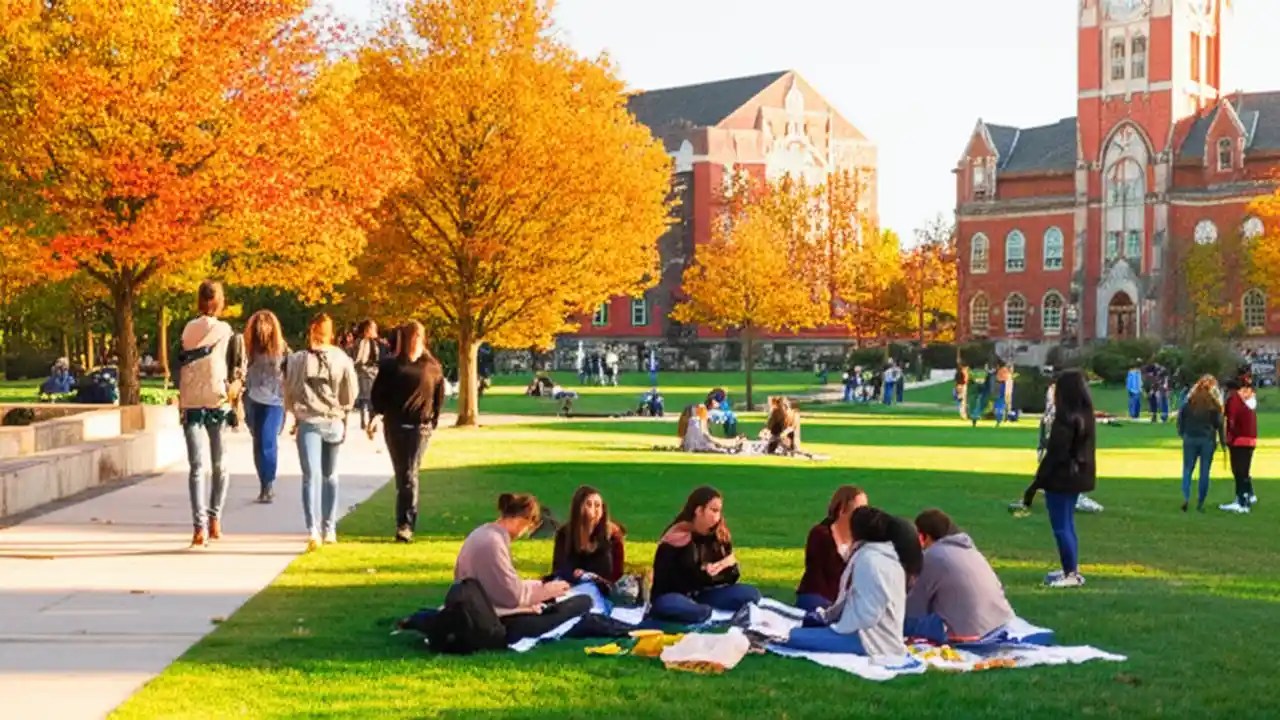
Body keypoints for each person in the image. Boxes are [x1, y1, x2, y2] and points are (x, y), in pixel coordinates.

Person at [454, 493, 592, 643]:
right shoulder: (493, 542)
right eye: (528, 528)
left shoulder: (483, 532)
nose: (524, 533)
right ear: (523, 520)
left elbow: (499, 587)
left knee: (553, 601)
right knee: (582, 602)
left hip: (481, 607)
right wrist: (546, 591)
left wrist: (536, 586)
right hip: (489, 619)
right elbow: (511, 596)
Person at [781, 507, 908, 662]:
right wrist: (828, 617)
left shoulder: (867, 560)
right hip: (884, 638)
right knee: (799, 632)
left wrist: (842, 627)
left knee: (789, 636)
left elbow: (867, 614)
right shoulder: (889, 558)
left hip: (865, 640)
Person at [178, 281, 245, 548]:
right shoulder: (225, 330)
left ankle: (199, 526)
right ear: (219, 301)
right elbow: (233, 365)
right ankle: (215, 516)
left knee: (196, 467)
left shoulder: (187, 329)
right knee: (220, 464)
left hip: (191, 401)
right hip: (217, 401)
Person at [284, 313, 358, 551]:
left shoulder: (297, 360)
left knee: (311, 476)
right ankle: (330, 528)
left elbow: (290, 390)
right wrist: (342, 410)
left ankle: (313, 528)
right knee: (331, 475)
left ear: (311, 331)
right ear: (331, 332)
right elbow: (351, 392)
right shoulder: (342, 359)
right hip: (334, 420)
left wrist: (294, 411)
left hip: (308, 420)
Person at [368, 321, 446, 543]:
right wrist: (377, 415)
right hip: (395, 425)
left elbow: (438, 397)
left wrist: (432, 421)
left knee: (409, 474)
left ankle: (406, 525)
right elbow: (378, 395)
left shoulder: (431, 367)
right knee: (403, 475)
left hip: (419, 428)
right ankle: (403, 519)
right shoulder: (391, 366)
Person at [649, 486, 761, 623]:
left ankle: (703, 611)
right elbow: (668, 581)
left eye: (719, 511)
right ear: (699, 510)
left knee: (751, 594)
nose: (717, 516)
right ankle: (702, 612)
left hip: (705, 593)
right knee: (684, 607)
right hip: (674, 595)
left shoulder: (719, 534)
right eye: (713, 510)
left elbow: (732, 575)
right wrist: (704, 572)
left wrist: (720, 570)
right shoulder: (676, 537)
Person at [905, 510, 1015, 642]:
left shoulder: (931, 557)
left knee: (898, 623)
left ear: (924, 537)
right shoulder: (970, 552)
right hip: (999, 623)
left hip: (967, 632)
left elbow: (913, 608)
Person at [1029, 370, 1096, 587]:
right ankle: (1071, 568)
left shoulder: (1065, 419)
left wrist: (1037, 482)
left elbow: (1056, 453)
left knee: (1061, 525)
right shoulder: (1085, 415)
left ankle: (1071, 574)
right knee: (1068, 523)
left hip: (1061, 477)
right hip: (1076, 476)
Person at [1010, 381, 1104, 516]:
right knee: (1050, 469)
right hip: (1058, 440)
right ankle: (1034, 497)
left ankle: (1034, 497)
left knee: (1050, 471)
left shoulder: (1066, 405)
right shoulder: (1064, 400)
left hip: (1062, 446)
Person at [243, 310, 289, 504]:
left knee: (267, 442)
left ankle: (268, 483)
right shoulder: (248, 349)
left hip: (275, 402)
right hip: (253, 399)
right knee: (258, 443)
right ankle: (263, 482)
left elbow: (289, 376)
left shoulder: (282, 350)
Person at [796, 486, 867, 610]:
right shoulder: (820, 534)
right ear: (842, 510)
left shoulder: (862, 540)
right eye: (859, 510)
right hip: (818, 596)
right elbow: (818, 575)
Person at [551, 485, 626, 584]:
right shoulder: (565, 534)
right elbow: (558, 568)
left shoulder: (613, 535)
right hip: (571, 587)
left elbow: (617, 574)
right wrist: (573, 574)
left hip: (602, 590)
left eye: (598, 505)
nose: (594, 510)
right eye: (589, 504)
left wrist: (592, 577)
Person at [1177, 375, 1225, 513]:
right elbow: (1219, 424)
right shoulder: (1213, 405)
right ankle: (1200, 502)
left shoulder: (1188, 404)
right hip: (1207, 440)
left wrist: (1183, 434)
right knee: (1204, 471)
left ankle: (1186, 497)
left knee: (1187, 469)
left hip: (1190, 438)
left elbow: (1180, 421)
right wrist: (1222, 442)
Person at [1220, 370, 1259, 514]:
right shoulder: (1249, 399)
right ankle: (1247, 497)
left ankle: (1241, 501)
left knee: (1238, 471)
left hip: (1238, 440)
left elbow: (1231, 420)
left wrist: (1228, 437)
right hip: (1250, 439)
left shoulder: (1234, 399)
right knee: (1244, 471)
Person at [351, 320, 380, 430]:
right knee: (365, 398)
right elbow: (358, 359)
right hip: (364, 372)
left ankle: (371, 422)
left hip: (372, 371)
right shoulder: (362, 342)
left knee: (371, 398)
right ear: (367, 330)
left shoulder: (374, 342)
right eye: (373, 328)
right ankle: (365, 422)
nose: (375, 331)